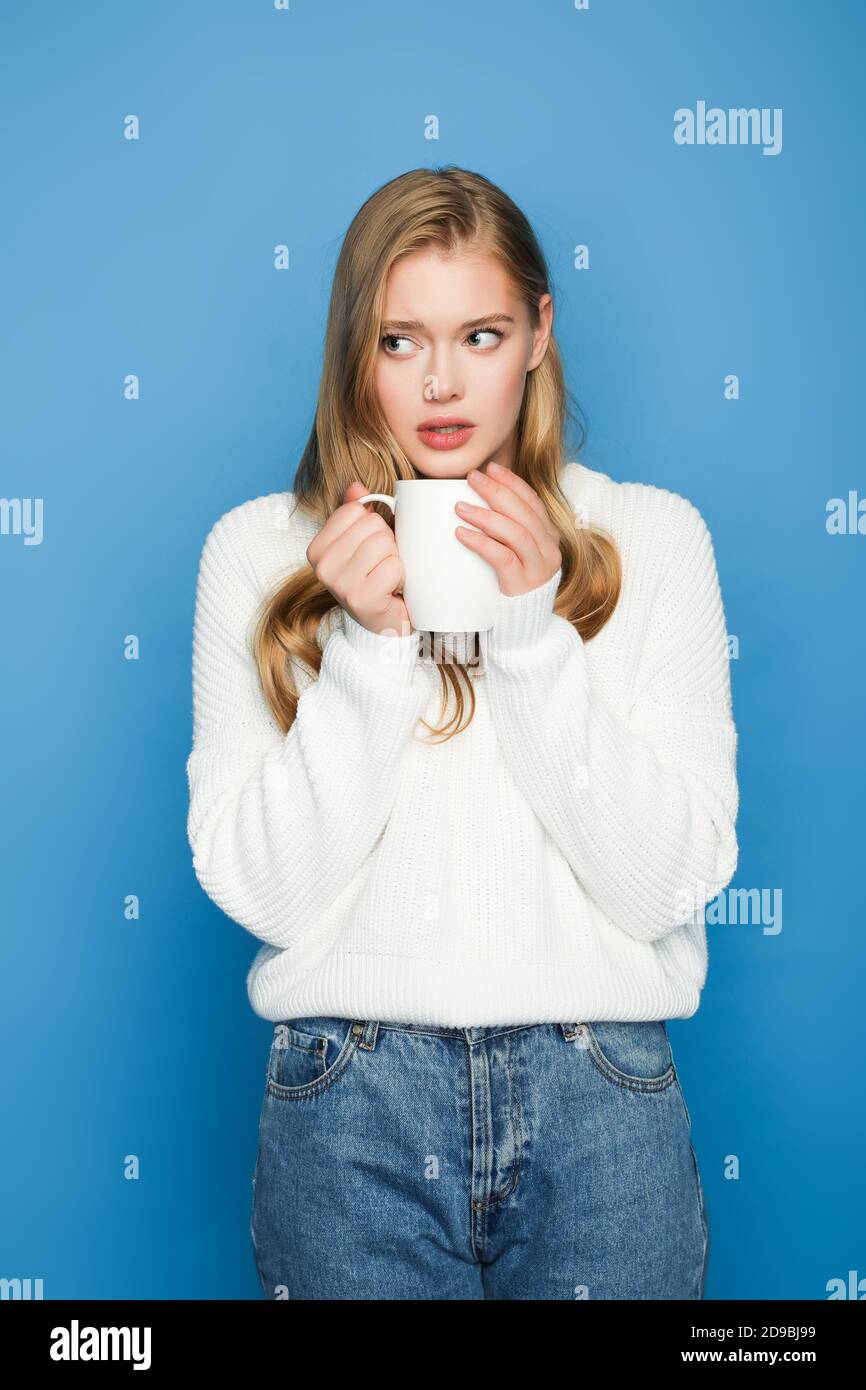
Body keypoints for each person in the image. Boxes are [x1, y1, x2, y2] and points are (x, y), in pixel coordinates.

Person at [185, 165, 739, 1300]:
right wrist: (368, 650)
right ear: (355, 349)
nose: (438, 381)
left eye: (479, 334)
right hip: (348, 1100)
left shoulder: (653, 536)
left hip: (599, 1093)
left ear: (537, 333)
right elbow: (265, 895)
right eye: (398, 342)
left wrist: (532, 636)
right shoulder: (254, 551)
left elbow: (667, 882)